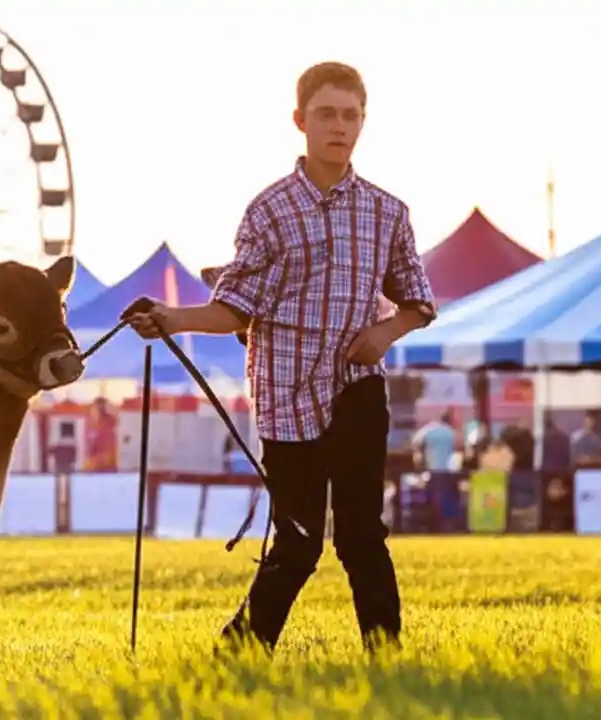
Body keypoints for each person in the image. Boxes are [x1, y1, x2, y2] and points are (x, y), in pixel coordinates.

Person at [127, 61, 436, 654]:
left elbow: (419, 301)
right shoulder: (268, 211)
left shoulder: (387, 212)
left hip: (358, 387)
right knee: (297, 541)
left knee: (362, 535)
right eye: (326, 114)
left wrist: (386, 331)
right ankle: (236, 652)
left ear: (363, 123)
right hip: (287, 396)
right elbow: (232, 311)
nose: (338, 127)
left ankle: (387, 655)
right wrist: (170, 319)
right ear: (300, 121)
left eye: (350, 116)